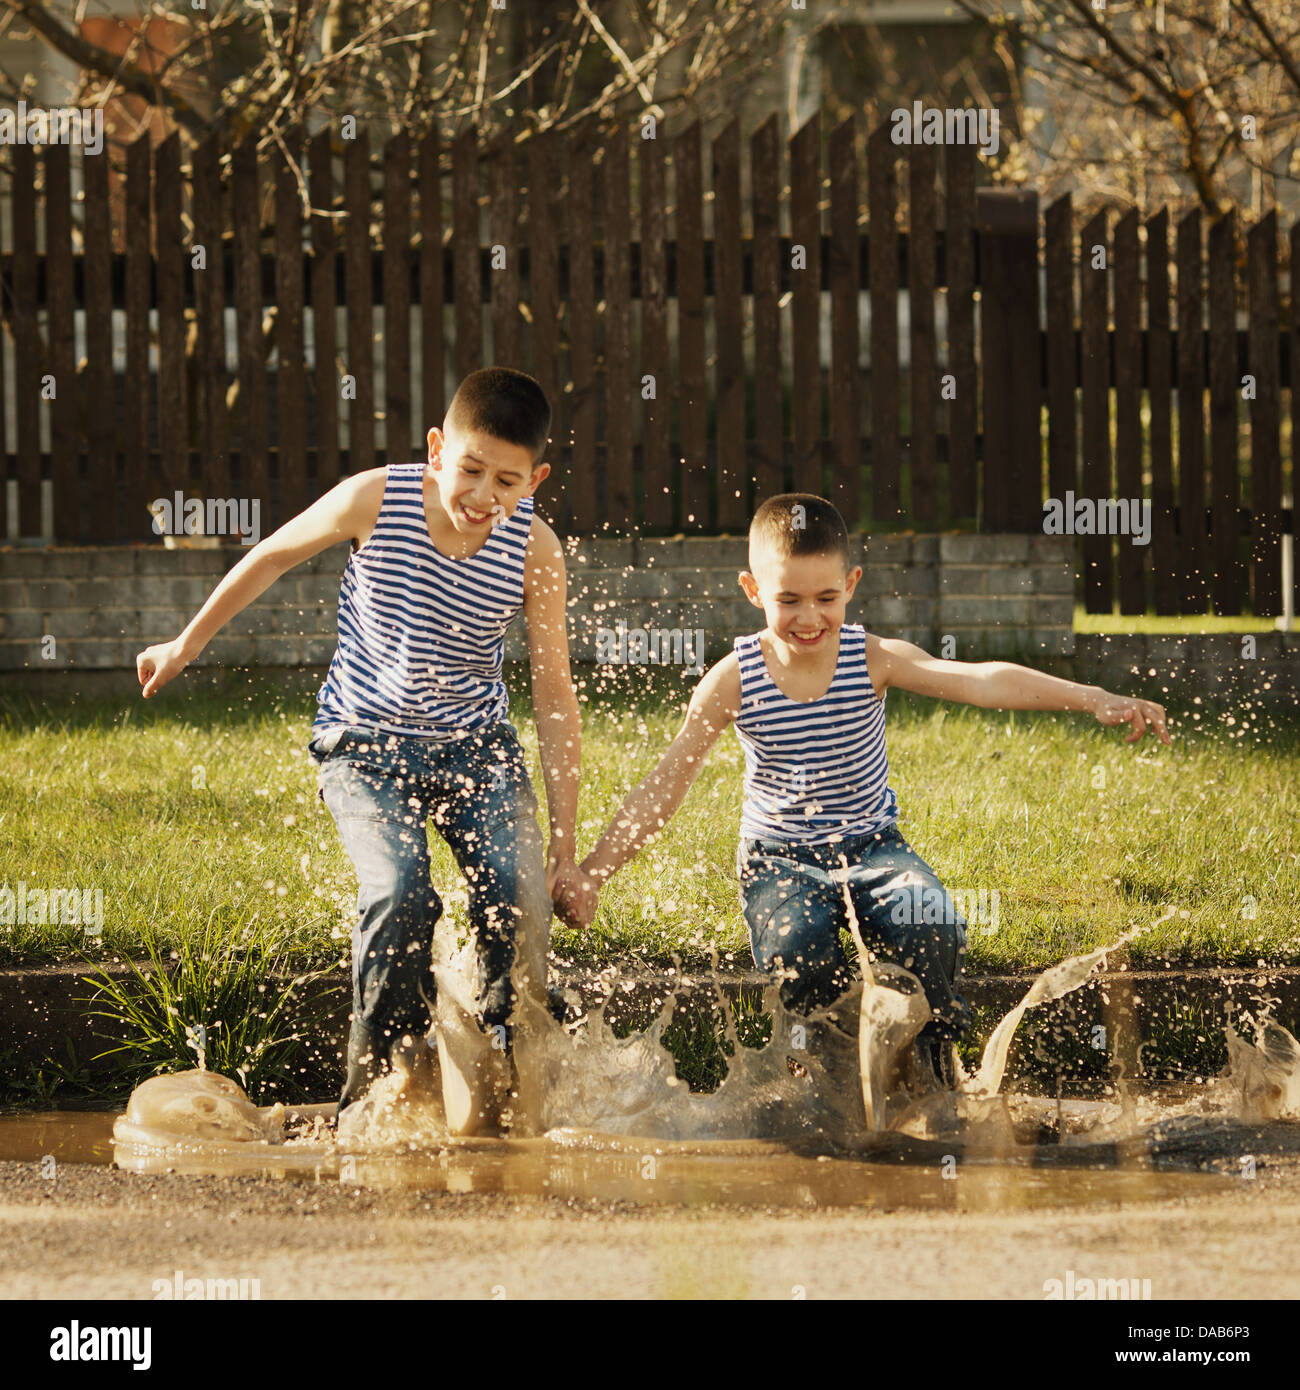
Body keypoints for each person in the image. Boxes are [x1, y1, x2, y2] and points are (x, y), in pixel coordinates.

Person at [553, 493, 1170, 1090]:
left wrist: (1095, 698)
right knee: (797, 946)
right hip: (780, 861)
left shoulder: (869, 657)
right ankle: (822, 1069)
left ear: (850, 585)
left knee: (930, 920)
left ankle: (929, 1064)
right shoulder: (734, 679)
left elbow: (979, 681)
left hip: (874, 848)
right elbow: (664, 786)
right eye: (788, 599)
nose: (809, 617)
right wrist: (595, 874)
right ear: (752, 591)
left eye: (826, 597)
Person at [137, 368, 585, 1134]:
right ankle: (378, 1097)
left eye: (506, 481)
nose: (482, 495)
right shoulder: (376, 499)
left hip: (478, 751)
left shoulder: (534, 549)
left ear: (535, 480)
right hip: (364, 748)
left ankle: (510, 1082)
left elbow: (553, 692)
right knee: (400, 892)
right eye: (470, 470)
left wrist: (566, 847)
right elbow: (272, 555)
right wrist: (186, 642)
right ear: (438, 449)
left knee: (518, 895)